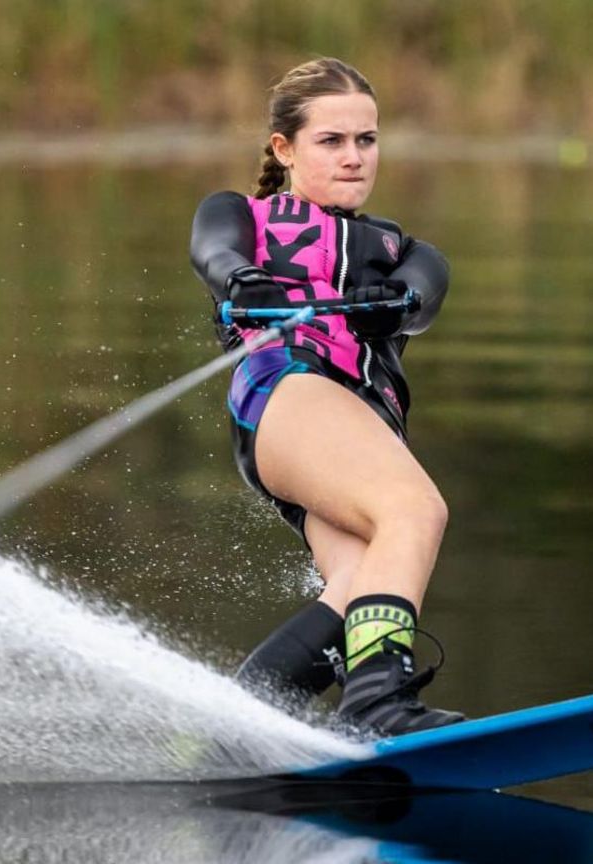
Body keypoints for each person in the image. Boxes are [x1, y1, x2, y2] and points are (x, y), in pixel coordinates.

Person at [188, 58, 461, 736]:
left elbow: (424, 294)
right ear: (284, 149)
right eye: (331, 141)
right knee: (414, 510)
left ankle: (237, 727)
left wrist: (397, 301)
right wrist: (241, 280)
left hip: (350, 431)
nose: (353, 157)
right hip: (290, 395)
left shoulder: (405, 249)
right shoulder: (238, 216)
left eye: (366, 140)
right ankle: (376, 702)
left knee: (363, 577)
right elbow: (213, 252)